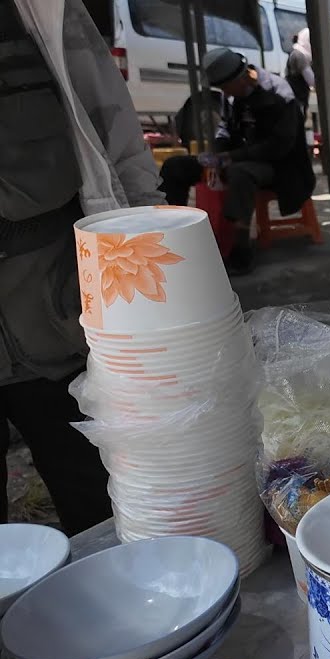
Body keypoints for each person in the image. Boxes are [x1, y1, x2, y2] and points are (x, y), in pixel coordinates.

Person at [2, 0, 163, 533]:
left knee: (92, 484)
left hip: (49, 305)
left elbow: (110, 123)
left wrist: (146, 234)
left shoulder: (39, 11)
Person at [158, 48, 315, 275]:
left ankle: (241, 249)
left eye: (224, 87)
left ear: (241, 78)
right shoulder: (232, 97)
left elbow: (280, 145)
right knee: (175, 166)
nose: (222, 92)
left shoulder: (279, 92)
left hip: (279, 166)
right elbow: (224, 131)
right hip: (235, 159)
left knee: (241, 173)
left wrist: (232, 157)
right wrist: (218, 155)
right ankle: (173, 238)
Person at [286, 29, 313, 113]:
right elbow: (311, 80)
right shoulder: (299, 55)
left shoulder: (297, 53)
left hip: (298, 96)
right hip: (296, 96)